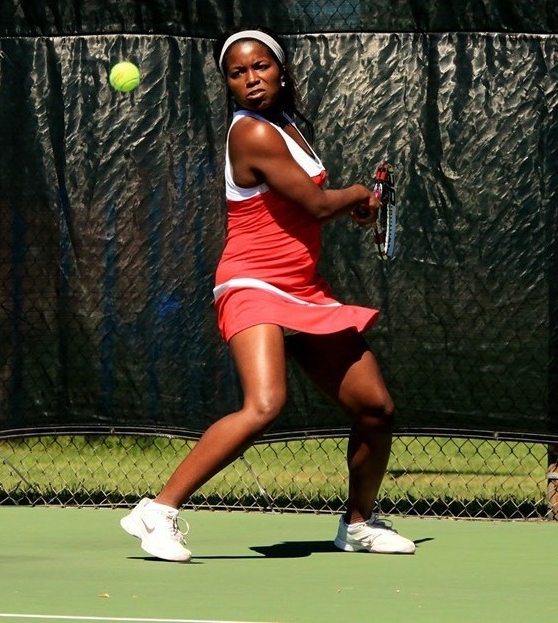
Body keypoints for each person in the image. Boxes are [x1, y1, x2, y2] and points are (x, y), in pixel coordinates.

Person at [120, 27, 415, 562]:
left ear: (281, 71)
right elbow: (318, 205)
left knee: (375, 408)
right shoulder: (250, 135)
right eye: (237, 73)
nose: (251, 79)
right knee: (265, 403)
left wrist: (347, 201)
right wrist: (358, 195)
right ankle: (157, 511)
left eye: (260, 67)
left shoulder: (288, 128)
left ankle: (359, 524)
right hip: (252, 281)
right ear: (228, 84)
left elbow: (311, 201)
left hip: (302, 288)